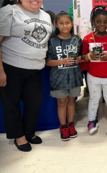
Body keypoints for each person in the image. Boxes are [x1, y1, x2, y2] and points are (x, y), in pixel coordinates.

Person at [0, 0, 52, 152]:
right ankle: (19, 136)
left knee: (34, 103)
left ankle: (29, 132)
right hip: (11, 67)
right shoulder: (9, 11)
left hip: (35, 69)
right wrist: (0, 70)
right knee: (11, 104)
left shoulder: (45, 15)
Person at [82, 6, 107, 137]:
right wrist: (89, 57)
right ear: (93, 22)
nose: (102, 25)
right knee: (94, 98)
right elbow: (82, 56)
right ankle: (91, 121)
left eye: (105, 22)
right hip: (93, 75)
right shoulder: (87, 38)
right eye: (98, 22)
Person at [45, 12, 82, 141]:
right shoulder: (52, 41)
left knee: (72, 101)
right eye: (61, 23)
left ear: (72, 24)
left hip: (74, 77)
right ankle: (63, 126)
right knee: (62, 102)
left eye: (67, 23)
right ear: (56, 24)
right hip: (58, 79)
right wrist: (62, 61)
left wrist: (80, 59)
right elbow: (47, 62)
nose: (65, 26)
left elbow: (81, 56)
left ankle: (71, 124)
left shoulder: (77, 39)